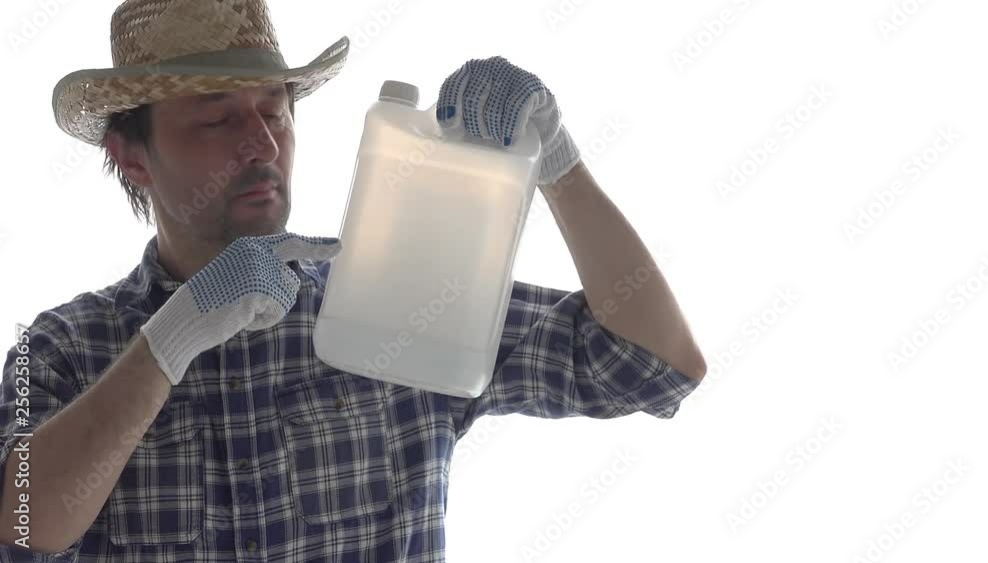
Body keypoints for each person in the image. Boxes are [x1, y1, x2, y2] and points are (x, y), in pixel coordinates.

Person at [0, 0, 707, 560]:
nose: (263, 142)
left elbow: (655, 365)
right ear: (132, 158)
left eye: (275, 111)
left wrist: (555, 161)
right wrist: (171, 338)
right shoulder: (62, 346)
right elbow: (22, 519)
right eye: (217, 117)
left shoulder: (397, 299)